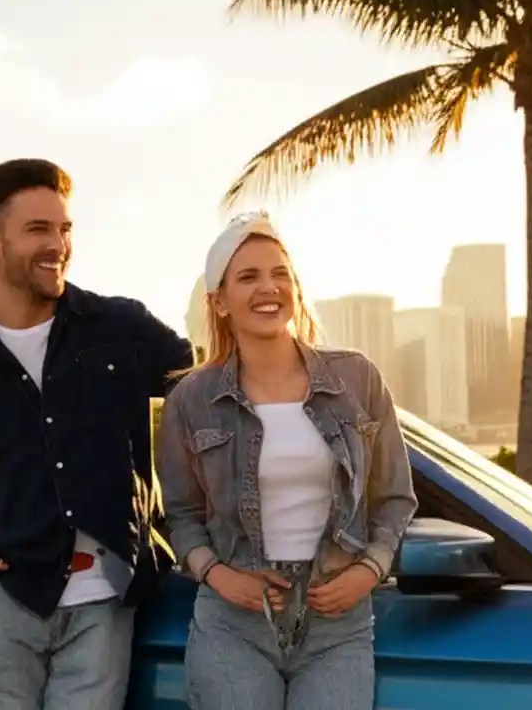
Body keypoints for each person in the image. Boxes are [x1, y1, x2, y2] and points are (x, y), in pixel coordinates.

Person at [0, 158, 193, 710]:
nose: (57, 244)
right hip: (4, 602)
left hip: (105, 597)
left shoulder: (121, 327)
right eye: (38, 230)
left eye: (65, 228)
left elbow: (211, 391)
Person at [156, 211, 418, 709]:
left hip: (337, 626)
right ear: (220, 301)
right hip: (234, 623)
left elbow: (395, 497)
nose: (268, 288)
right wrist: (217, 574)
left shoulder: (356, 379)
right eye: (248, 277)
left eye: (280, 274)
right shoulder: (192, 398)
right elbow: (181, 516)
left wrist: (370, 570)